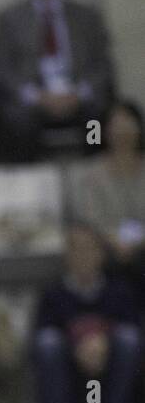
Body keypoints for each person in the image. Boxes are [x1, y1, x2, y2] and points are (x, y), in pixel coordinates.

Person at [32, 223, 141, 403]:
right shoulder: (53, 294)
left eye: (88, 249)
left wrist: (102, 344)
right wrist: (78, 347)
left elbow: (131, 326)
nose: (83, 257)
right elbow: (42, 334)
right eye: (76, 249)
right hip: (72, 378)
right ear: (66, 256)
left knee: (129, 340)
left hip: (106, 379)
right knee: (47, 344)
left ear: (101, 254)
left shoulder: (119, 291)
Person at [0, 0, 115, 161]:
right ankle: (31, 183)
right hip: (33, 100)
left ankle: (93, 177)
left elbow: (103, 66)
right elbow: (3, 70)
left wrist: (78, 93)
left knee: (97, 123)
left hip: (80, 97)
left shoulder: (87, 16)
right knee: (16, 123)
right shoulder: (9, 17)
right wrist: (38, 96)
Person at [70, 100, 145, 284]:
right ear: (104, 131)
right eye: (116, 125)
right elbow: (90, 217)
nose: (122, 131)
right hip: (107, 246)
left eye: (128, 123)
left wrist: (137, 242)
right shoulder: (91, 174)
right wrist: (116, 241)